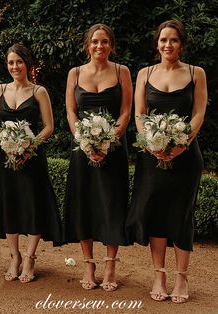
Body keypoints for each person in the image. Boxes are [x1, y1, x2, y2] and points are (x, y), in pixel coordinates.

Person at [126, 20, 207, 303]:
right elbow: (138, 114)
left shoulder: (197, 73)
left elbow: (198, 114)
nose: (167, 45)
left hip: (186, 158)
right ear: (156, 43)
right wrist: (151, 144)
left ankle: (181, 279)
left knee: (182, 215)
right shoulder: (145, 73)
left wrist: (182, 144)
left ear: (181, 43)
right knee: (156, 213)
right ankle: (159, 275)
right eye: (163, 40)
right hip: (151, 156)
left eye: (173, 40)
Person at [64, 23, 132, 291]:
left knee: (111, 204)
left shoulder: (121, 71)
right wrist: (83, 140)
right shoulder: (75, 73)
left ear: (111, 44)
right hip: (82, 149)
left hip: (113, 150)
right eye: (94, 42)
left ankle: (110, 266)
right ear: (87, 45)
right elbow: (70, 112)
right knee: (85, 204)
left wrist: (107, 142)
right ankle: (89, 266)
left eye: (104, 42)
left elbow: (126, 111)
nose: (99, 47)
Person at [0, 43, 63, 283]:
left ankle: (30, 258)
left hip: (32, 159)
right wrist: (9, 145)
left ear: (27, 64)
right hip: (5, 158)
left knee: (33, 205)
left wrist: (27, 147)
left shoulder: (38, 91)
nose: (14, 66)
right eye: (10, 62)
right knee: (9, 205)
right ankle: (14, 256)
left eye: (19, 62)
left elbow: (49, 127)